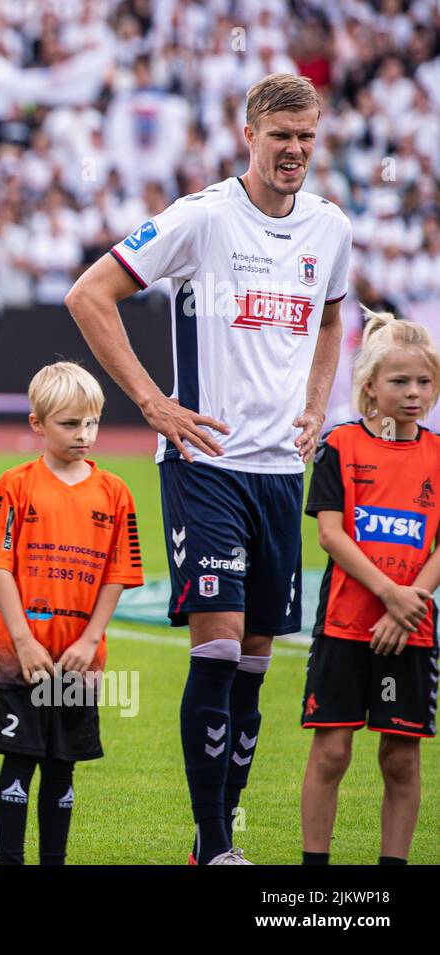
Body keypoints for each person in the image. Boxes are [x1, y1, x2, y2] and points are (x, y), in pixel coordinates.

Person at [65, 73, 352, 865]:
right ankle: (220, 845)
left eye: (306, 136)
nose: (293, 150)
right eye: (280, 135)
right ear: (248, 134)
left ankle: (209, 840)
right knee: (219, 649)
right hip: (205, 463)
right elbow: (90, 294)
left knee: (257, 660)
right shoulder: (201, 218)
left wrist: (317, 405)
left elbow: (332, 317)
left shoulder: (331, 228)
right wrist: (155, 403)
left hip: (278, 472)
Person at [0, 362, 143, 864]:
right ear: (37, 424)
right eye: (70, 424)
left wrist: (91, 640)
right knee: (18, 763)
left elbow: (119, 572)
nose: (84, 434)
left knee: (63, 767)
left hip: (77, 661)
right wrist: (23, 640)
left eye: (91, 422)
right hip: (18, 657)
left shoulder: (115, 493)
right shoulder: (14, 484)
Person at [300, 308, 440, 865]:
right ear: (370, 387)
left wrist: (412, 602)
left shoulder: (437, 455)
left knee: (401, 759)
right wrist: (389, 592)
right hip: (345, 622)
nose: (413, 393)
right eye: (399, 382)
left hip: (412, 627)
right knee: (332, 752)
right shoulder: (340, 446)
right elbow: (331, 536)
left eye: (424, 382)